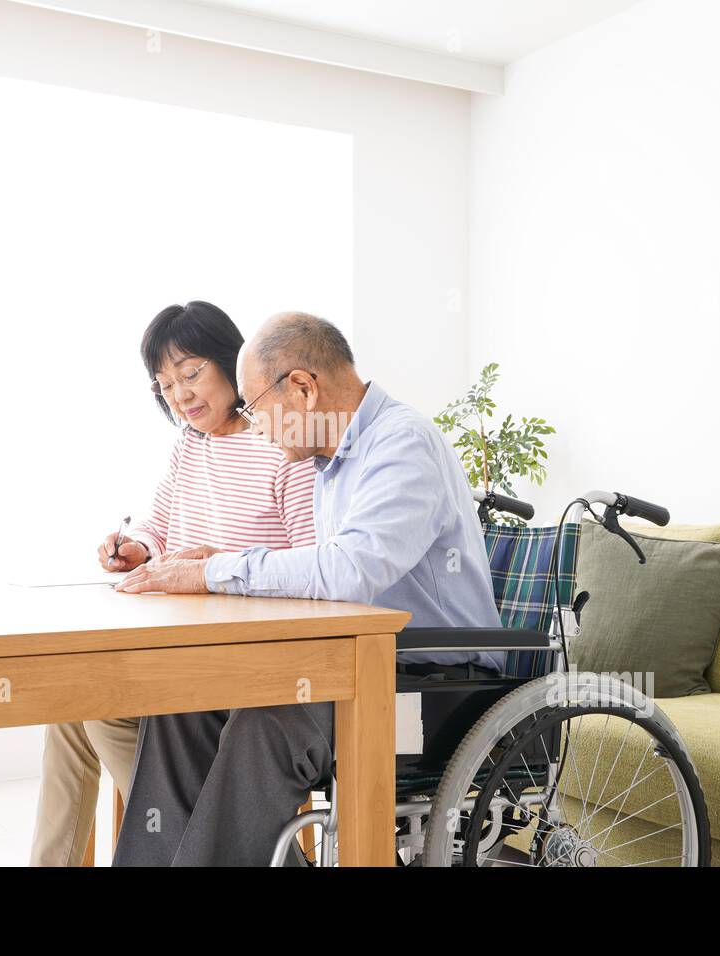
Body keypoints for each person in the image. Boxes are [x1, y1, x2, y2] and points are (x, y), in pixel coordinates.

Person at [111, 311, 502, 866]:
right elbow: (316, 576)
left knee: (268, 721)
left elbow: (348, 571)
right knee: (181, 705)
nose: (255, 426)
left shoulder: (402, 444)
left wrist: (215, 572)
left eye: (255, 407)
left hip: (433, 689)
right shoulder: (330, 463)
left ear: (302, 388)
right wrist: (217, 566)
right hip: (358, 664)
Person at [28, 301, 316, 866]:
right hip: (182, 646)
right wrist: (136, 547)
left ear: (232, 362)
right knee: (67, 701)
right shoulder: (190, 446)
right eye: (165, 385)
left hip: (244, 657)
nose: (180, 395)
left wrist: (218, 568)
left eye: (190, 374)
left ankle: (186, 847)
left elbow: (310, 565)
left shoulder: (281, 446)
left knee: (98, 707)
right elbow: (158, 526)